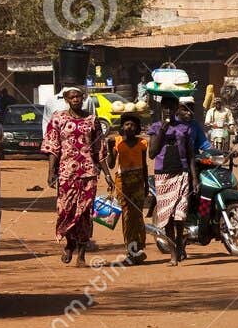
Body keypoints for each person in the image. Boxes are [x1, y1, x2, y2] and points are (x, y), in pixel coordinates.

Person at [43, 83, 104, 266]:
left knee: (85, 213)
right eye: (72, 97)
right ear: (66, 100)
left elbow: (99, 148)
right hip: (66, 173)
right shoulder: (58, 118)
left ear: (83, 98)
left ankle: (82, 255)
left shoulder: (92, 120)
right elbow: (53, 147)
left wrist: (107, 174)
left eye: (78, 96)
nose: (76, 99)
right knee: (66, 210)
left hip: (88, 173)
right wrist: (51, 172)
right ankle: (70, 244)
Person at [148, 97, 199, 264]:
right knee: (167, 218)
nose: (168, 110)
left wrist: (194, 178)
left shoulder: (184, 128)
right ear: (161, 108)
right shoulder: (155, 127)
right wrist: (162, 130)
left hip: (182, 173)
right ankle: (173, 253)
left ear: (176, 108)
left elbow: (190, 155)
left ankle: (179, 245)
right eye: (165, 107)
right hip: (163, 175)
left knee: (180, 215)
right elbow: (152, 153)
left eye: (171, 107)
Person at [106, 113, 149, 263]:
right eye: (126, 124)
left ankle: (139, 248)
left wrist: (146, 184)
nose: (129, 127)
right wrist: (109, 148)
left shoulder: (142, 143)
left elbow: (144, 165)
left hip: (138, 181)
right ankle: (131, 250)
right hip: (122, 181)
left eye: (132, 125)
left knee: (137, 215)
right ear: (122, 127)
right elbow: (111, 164)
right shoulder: (117, 142)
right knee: (127, 216)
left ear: (137, 128)